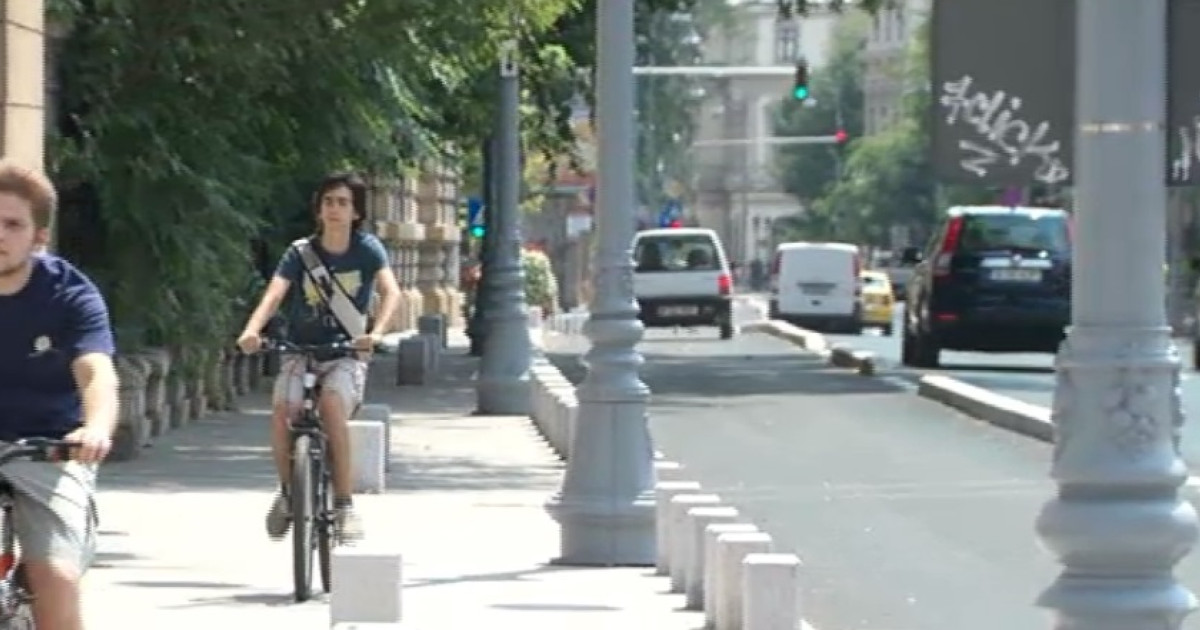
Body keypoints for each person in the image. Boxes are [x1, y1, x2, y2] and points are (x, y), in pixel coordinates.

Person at [236, 172, 401, 544]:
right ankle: (288, 494)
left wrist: (374, 334)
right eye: (329, 202)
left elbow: (392, 293)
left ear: (356, 211)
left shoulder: (368, 249)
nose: (335, 210)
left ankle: (344, 504)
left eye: (343, 203)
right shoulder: (300, 253)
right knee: (282, 409)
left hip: (346, 352)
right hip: (300, 349)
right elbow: (275, 294)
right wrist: (252, 330)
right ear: (319, 209)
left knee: (330, 405)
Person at [0, 159, 118, 630]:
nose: (0, 234)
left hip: (49, 450)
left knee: (57, 576)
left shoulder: (70, 294)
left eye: (12, 224)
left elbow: (97, 374)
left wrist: (94, 428)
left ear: (39, 237)